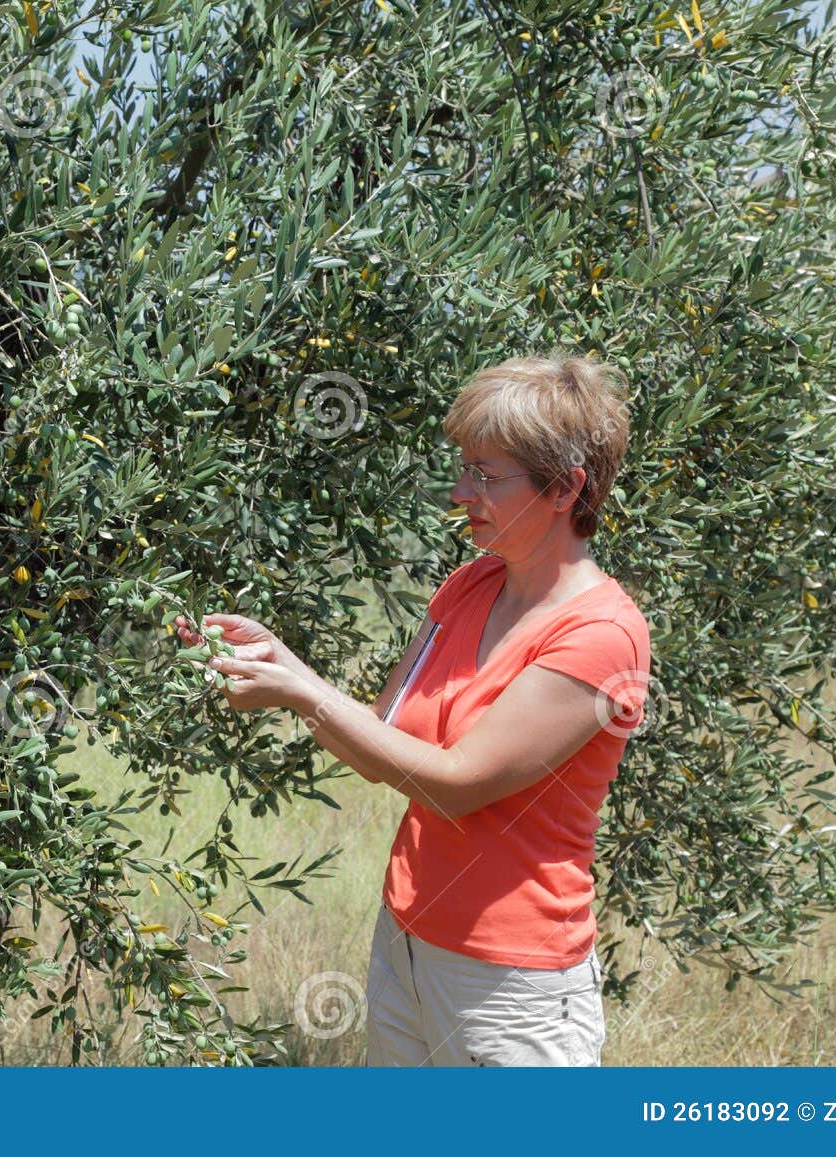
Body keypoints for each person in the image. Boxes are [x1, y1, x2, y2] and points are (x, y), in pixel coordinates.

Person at [175, 349, 652, 1066]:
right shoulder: (469, 586)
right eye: (464, 469)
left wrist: (303, 693)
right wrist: (284, 661)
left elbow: (459, 783)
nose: (461, 492)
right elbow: (383, 736)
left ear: (565, 488)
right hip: (406, 941)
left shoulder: (602, 636)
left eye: (486, 476)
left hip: (511, 983)